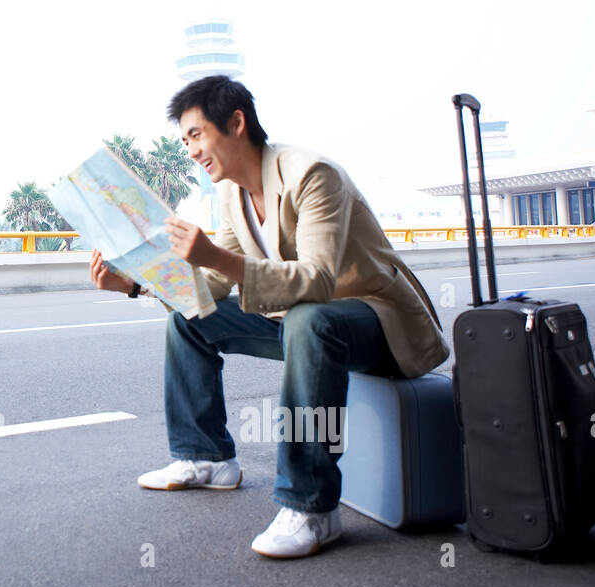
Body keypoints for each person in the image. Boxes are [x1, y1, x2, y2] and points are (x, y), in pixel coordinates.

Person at [90, 76, 449, 558]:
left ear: (236, 122)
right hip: (304, 323)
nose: (191, 150)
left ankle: (312, 507)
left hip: (378, 321)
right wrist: (134, 286)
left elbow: (318, 280)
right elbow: (213, 288)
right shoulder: (231, 194)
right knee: (191, 321)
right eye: (185, 140)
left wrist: (213, 255)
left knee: (308, 320)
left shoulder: (313, 175)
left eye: (196, 134)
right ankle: (206, 457)